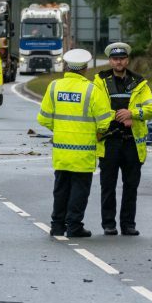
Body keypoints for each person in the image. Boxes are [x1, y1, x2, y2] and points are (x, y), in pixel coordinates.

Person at [37, 48, 112, 238]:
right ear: (85, 68)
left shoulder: (54, 86)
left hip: (61, 150)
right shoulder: (92, 90)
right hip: (83, 152)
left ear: (66, 67)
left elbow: (43, 118)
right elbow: (105, 122)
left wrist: (61, 130)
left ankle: (57, 225)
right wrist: (96, 133)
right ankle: (74, 226)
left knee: (61, 188)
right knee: (80, 189)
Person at [93, 42, 152, 236]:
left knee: (131, 186)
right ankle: (109, 224)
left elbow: (151, 108)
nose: (118, 62)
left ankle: (128, 224)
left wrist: (132, 114)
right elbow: (95, 108)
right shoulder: (100, 82)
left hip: (132, 142)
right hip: (109, 140)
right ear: (110, 61)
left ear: (127, 60)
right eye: (115, 59)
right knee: (108, 185)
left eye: (121, 58)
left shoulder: (139, 82)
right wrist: (117, 116)